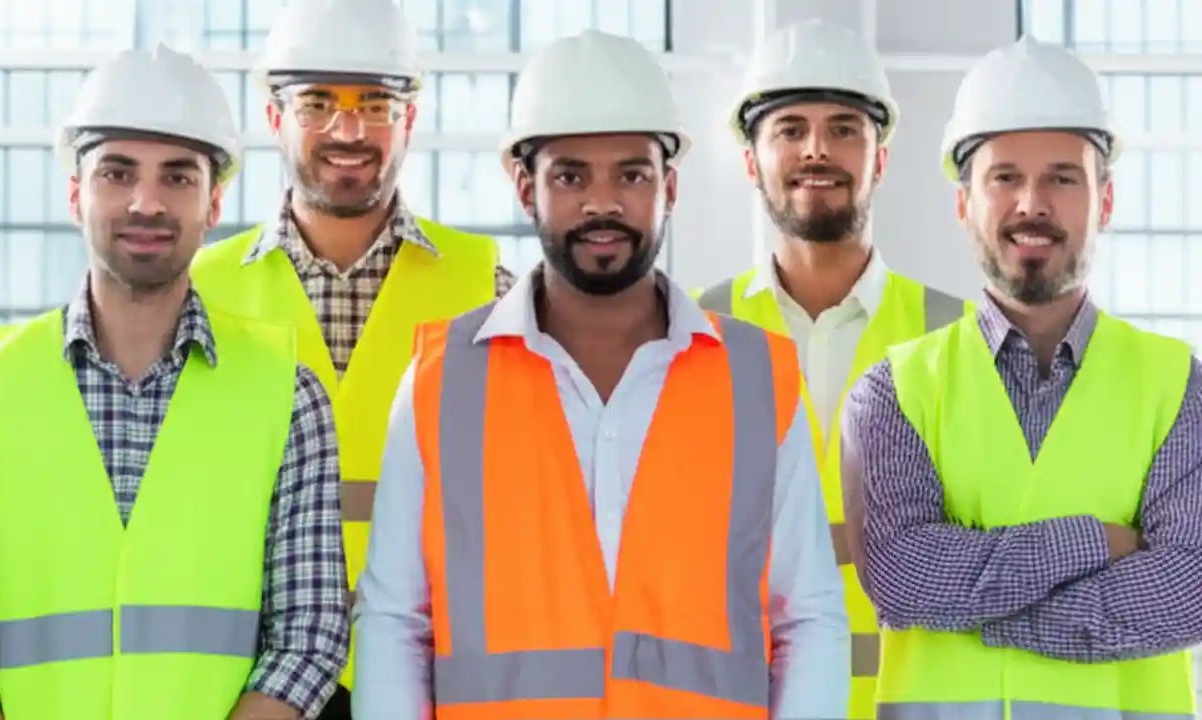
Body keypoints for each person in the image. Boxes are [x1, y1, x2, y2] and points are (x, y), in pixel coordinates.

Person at [352, 28, 849, 719]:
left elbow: (810, 619)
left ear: (669, 185)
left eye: (632, 174)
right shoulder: (441, 382)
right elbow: (395, 620)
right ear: (526, 188)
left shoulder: (757, 380)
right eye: (571, 175)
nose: (602, 203)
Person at [0, 44, 350, 720]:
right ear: (75, 194)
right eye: (117, 173)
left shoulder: (289, 398)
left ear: (214, 204)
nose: (146, 202)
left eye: (178, 178)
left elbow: (309, 638)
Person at [841, 35, 1202, 719]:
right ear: (963, 204)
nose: (1032, 203)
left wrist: (994, 617)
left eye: (1063, 177)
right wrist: (1099, 542)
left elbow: (1185, 587)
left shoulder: (1179, 386)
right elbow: (905, 578)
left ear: (1106, 201)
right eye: (1004, 176)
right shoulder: (893, 393)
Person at [190, 2, 514, 711]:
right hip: (250, 685)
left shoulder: (486, 287)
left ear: (410, 118)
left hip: (431, 675)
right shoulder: (198, 293)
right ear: (274, 119)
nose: (348, 130)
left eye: (375, 103)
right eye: (316, 104)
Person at [693, 20, 968, 717]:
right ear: (751, 161)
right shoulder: (689, 333)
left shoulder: (960, 337)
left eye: (845, 128)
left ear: (881, 158)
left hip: (910, 704)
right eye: (790, 129)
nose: (817, 148)